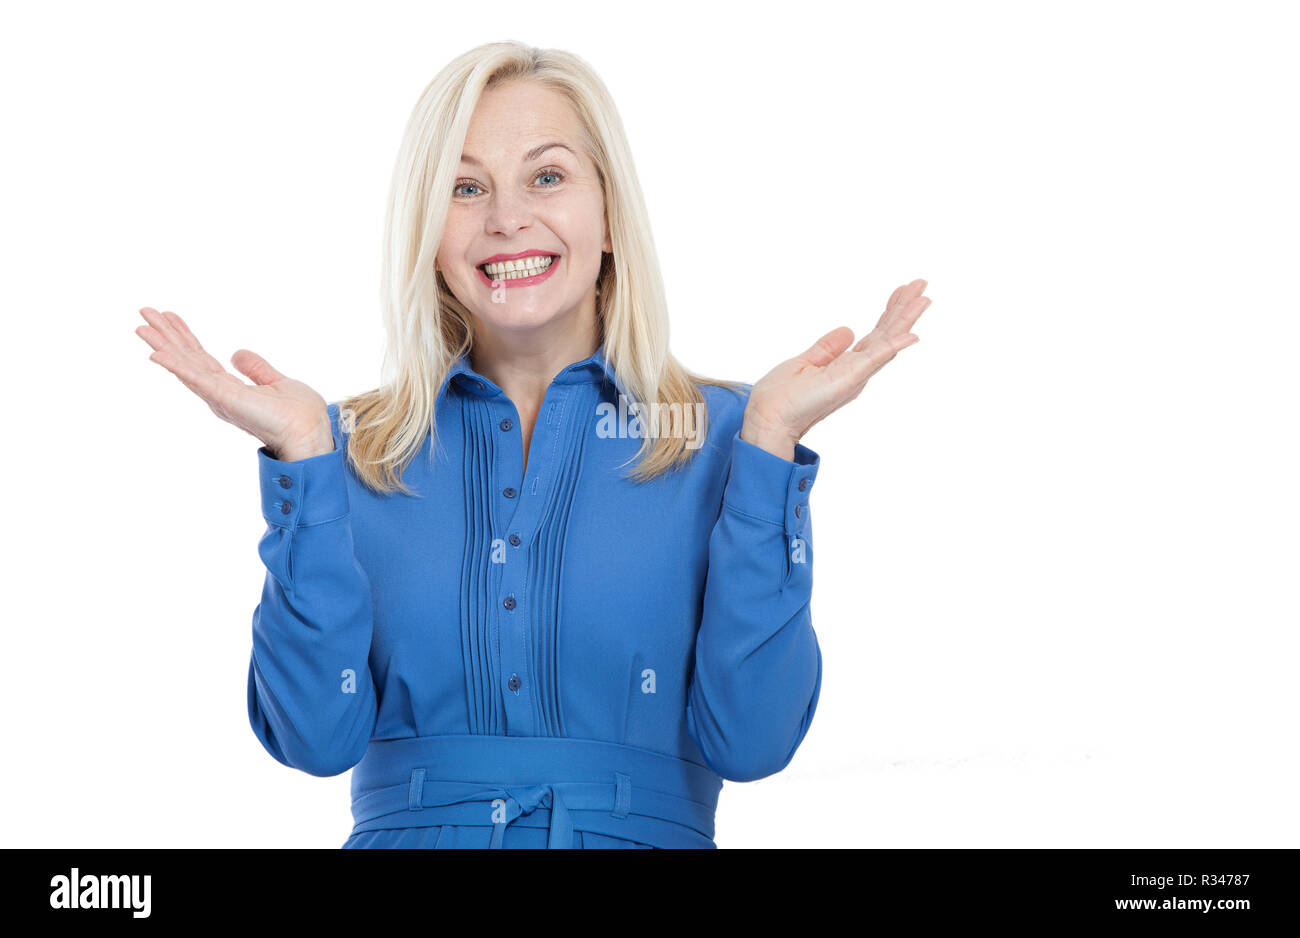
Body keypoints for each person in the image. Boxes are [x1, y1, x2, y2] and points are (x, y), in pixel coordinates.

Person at [135, 40, 930, 848]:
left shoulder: (723, 439)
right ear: (429, 236)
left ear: (611, 215)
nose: (506, 218)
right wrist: (303, 463)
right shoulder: (347, 451)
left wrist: (770, 444)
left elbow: (753, 743)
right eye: (465, 186)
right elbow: (313, 740)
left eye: (547, 176)